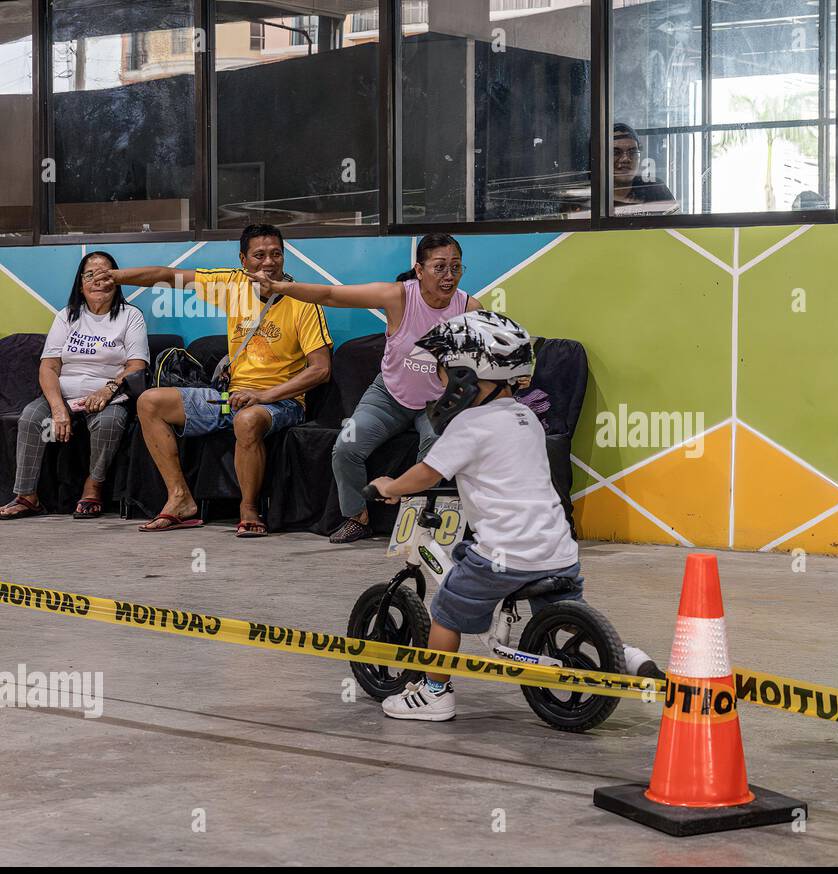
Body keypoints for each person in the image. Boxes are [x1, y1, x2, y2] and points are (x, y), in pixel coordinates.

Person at [366, 312, 583, 721]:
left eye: (447, 372)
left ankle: (434, 693)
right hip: (558, 550)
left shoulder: (468, 424)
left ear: (470, 375)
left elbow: (427, 473)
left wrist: (389, 487)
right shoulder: (527, 418)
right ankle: (617, 655)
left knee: (446, 610)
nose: (443, 382)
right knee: (552, 606)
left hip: (508, 555)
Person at [96, 224, 332, 537]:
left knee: (247, 420)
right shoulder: (231, 284)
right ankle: (180, 498)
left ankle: (248, 509)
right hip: (230, 396)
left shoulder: (304, 301)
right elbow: (166, 276)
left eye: (276, 254)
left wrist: (264, 396)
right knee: (150, 402)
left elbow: (320, 369)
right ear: (243, 260)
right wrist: (116, 276)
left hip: (280, 401)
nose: (269, 262)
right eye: (259, 255)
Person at [251, 234, 481, 543]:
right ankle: (356, 518)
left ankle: (418, 525)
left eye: (456, 267)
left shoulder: (469, 307)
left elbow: (483, 360)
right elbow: (332, 295)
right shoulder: (397, 296)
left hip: (437, 403)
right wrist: (284, 288)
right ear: (419, 269)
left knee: (436, 449)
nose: (449, 276)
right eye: (439, 267)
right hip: (388, 394)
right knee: (345, 447)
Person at [0, 252, 149, 520]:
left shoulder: (130, 316)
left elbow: (136, 366)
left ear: (116, 280)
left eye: (105, 273)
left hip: (108, 395)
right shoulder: (66, 315)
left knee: (109, 423)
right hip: (64, 392)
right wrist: (58, 409)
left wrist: (108, 390)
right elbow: (49, 367)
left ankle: (93, 487)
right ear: (80, 284)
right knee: (31, 417)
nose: (98, 280)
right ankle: (26, 496)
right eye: (90, 275)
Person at [612, 123, 678, 214]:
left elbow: (677, 226)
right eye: (616, 152)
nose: (625, 159)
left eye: (632, 152)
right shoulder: (592, 195)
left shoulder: (654, 189)